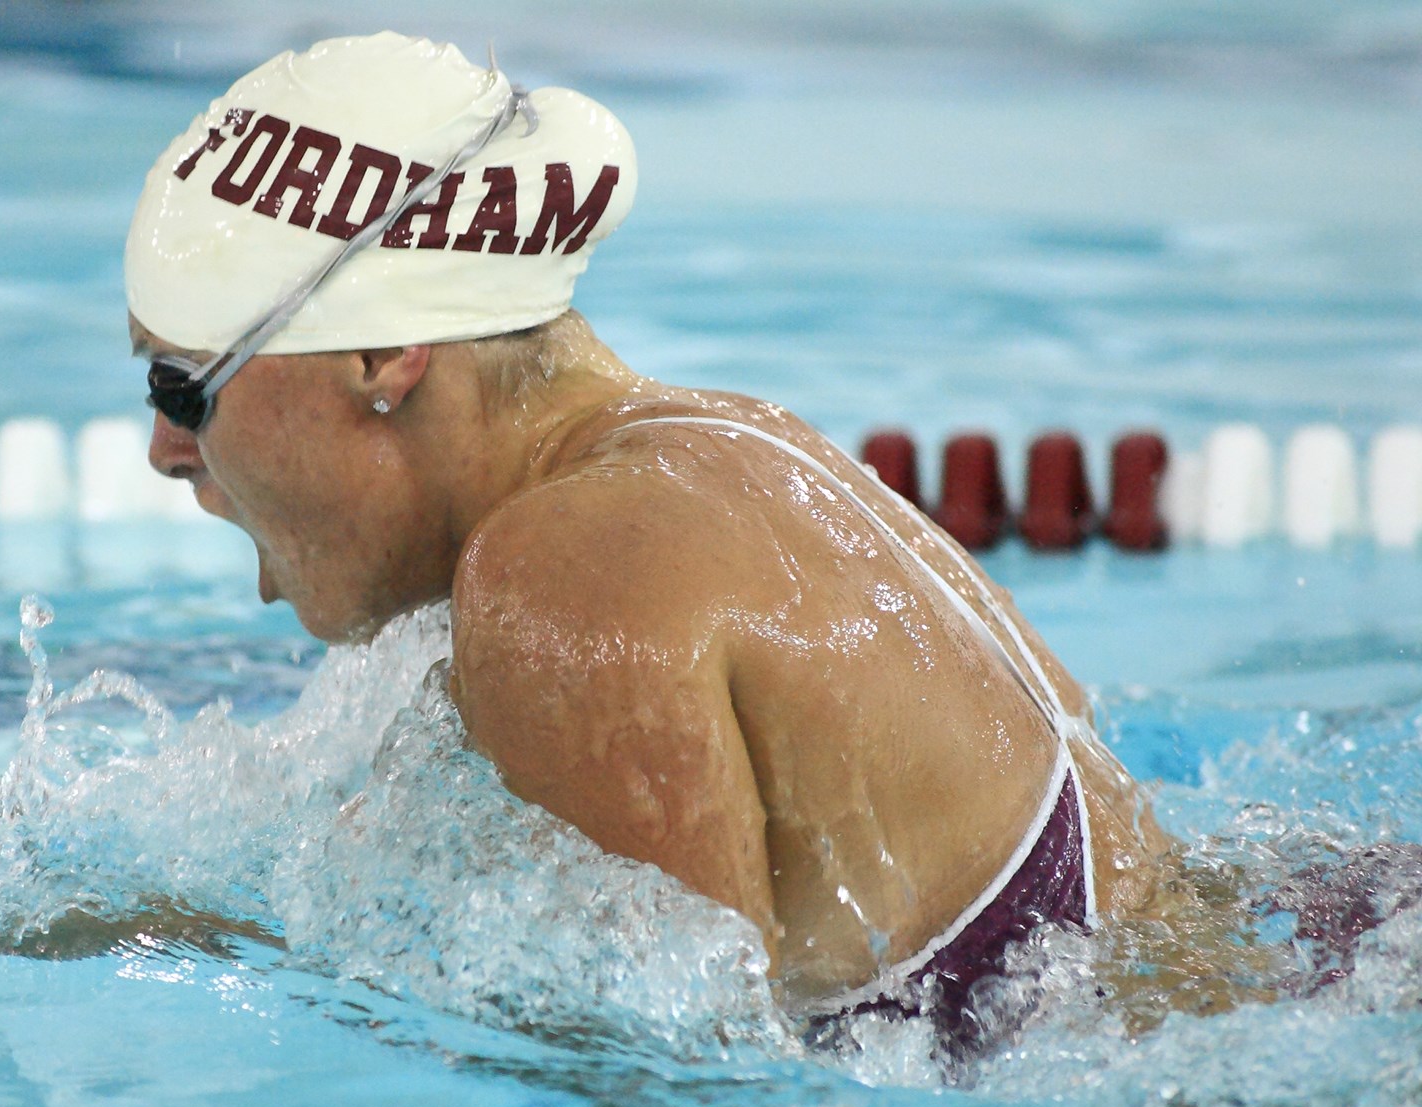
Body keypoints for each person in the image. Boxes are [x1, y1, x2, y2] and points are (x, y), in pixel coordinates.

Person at [125, 31, 1240, 1055]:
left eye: (182, 385)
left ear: (381, 354)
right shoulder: (728, 446)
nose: (166, 450)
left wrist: (171, 954)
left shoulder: (564, 571)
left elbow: (682, 1073)